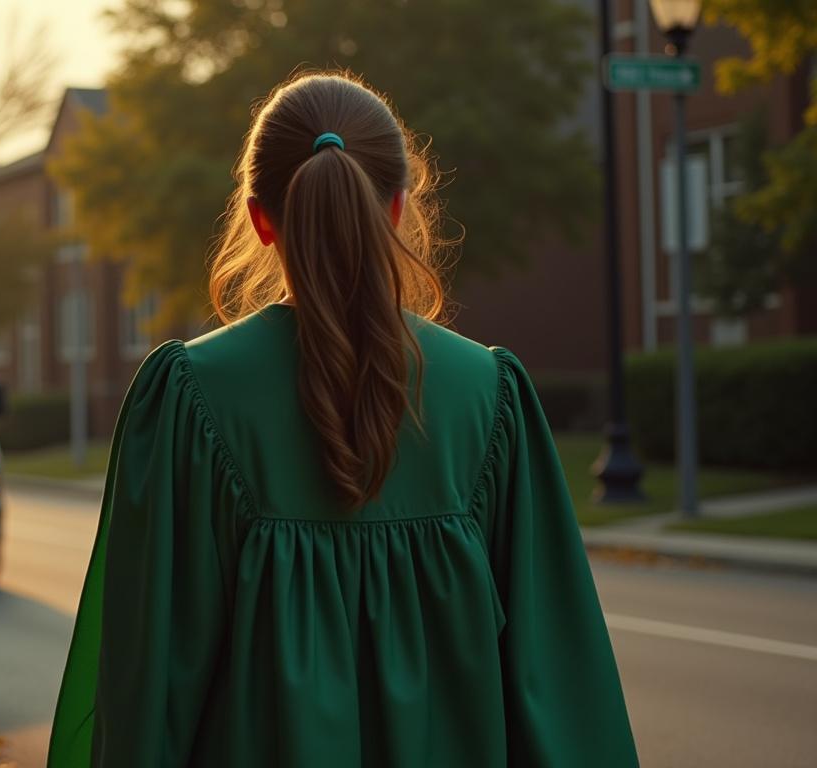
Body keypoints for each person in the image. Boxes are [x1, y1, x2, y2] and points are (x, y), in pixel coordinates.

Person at [47, 72, 638, 767]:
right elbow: (559, 690)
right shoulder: (492, 399)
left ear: (260, 219)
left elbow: (147, 688)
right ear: (397, 208)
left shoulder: (189, 400)